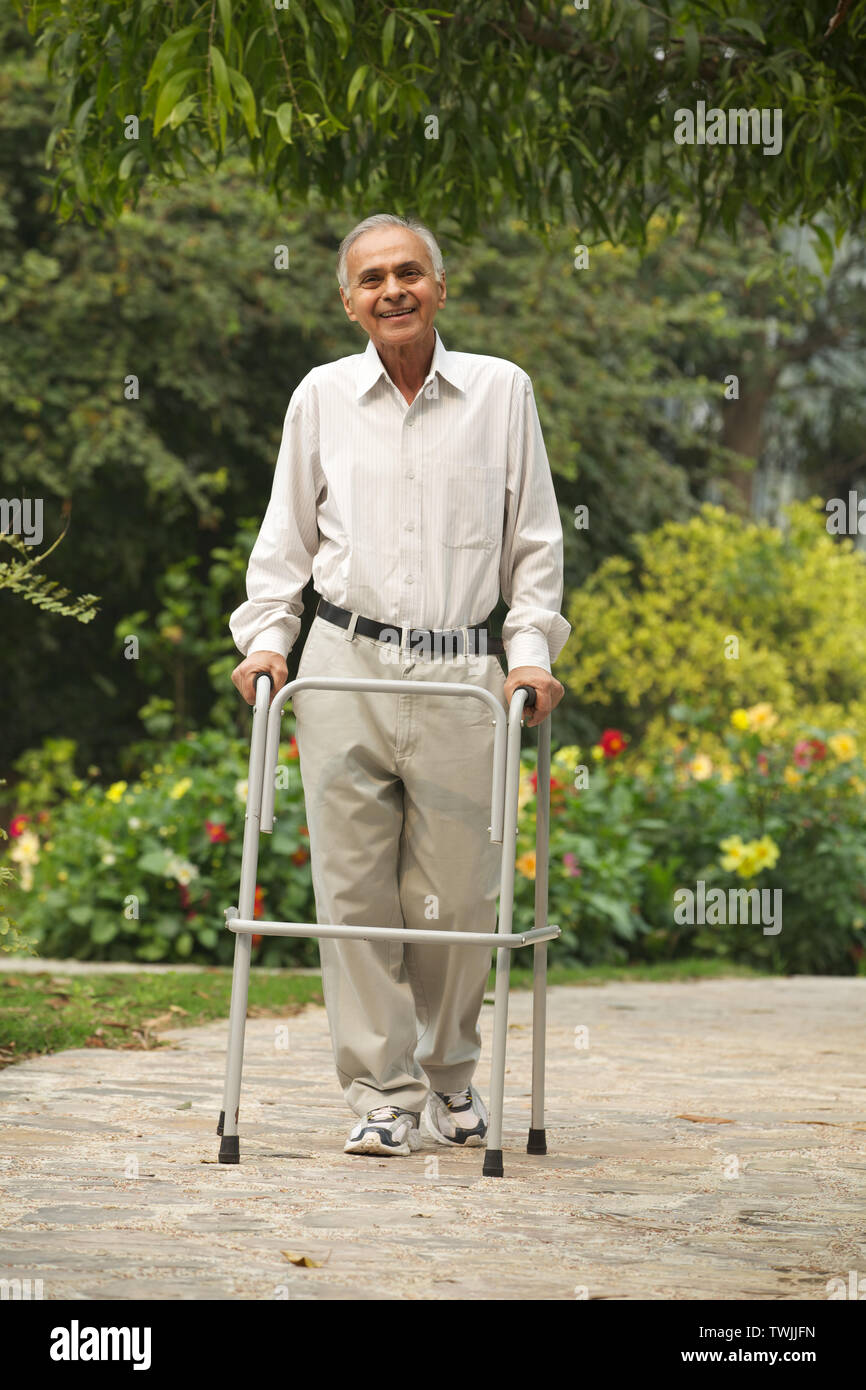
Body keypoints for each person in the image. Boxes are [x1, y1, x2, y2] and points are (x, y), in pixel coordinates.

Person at [229, 213, 570, 1158]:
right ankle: (381, 1094)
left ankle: (451, 1073)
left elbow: (534, 542)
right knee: (352, 894)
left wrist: (532, 650)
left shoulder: (502, 391)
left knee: (461, 899)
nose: (393, 290)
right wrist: (268, 641)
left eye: (409, 273)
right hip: (343, 664)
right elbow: (284, 540)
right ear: (350, 302)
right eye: (373, 279)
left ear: (440, 288)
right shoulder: (322, 396)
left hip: (466, 672)